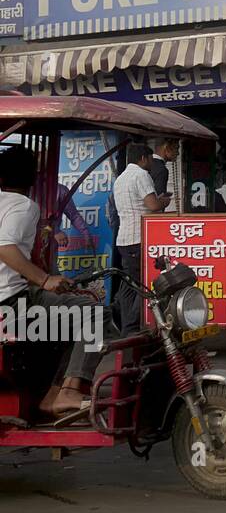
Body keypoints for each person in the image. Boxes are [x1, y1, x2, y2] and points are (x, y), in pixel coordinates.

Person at [0, 145, 104, 417]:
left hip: (12, 299)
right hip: (12, 304)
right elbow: (5, 247)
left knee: (72, 314)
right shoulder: (23, 205)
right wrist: (45, 280)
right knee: (94, 313)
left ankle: (52, 393)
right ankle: (68, 391)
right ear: (34, 178)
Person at [111, 142, 169, 334]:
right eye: (151, 158)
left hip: (123, 240)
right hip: (139, 238)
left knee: (129, 285)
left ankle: (126, 329)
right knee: (144, 286)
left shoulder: (120, 179)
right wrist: (164, 201)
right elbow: (152, 205)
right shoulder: (141, 175)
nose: (152, 162)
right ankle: (134, 327)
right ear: (143, 158)